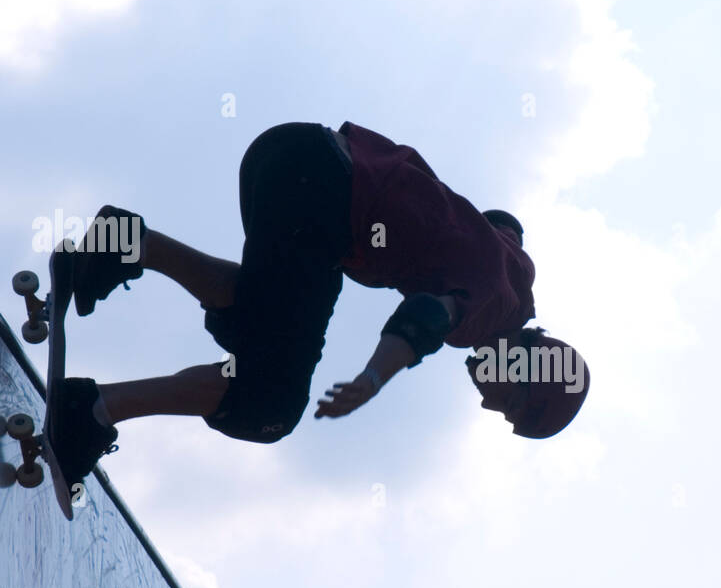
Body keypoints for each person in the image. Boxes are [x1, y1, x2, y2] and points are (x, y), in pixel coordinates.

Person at [47, 121, 590, 492]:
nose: (488, 406)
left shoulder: (515, 275)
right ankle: (90, 410)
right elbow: (424, 318)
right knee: (270, 402)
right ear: (524, 373)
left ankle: (121, 244)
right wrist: (374, 377)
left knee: (264, 322)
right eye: (509, 404)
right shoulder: (490, 313)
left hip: (295, 157)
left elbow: (503, 222)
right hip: (322, 194)